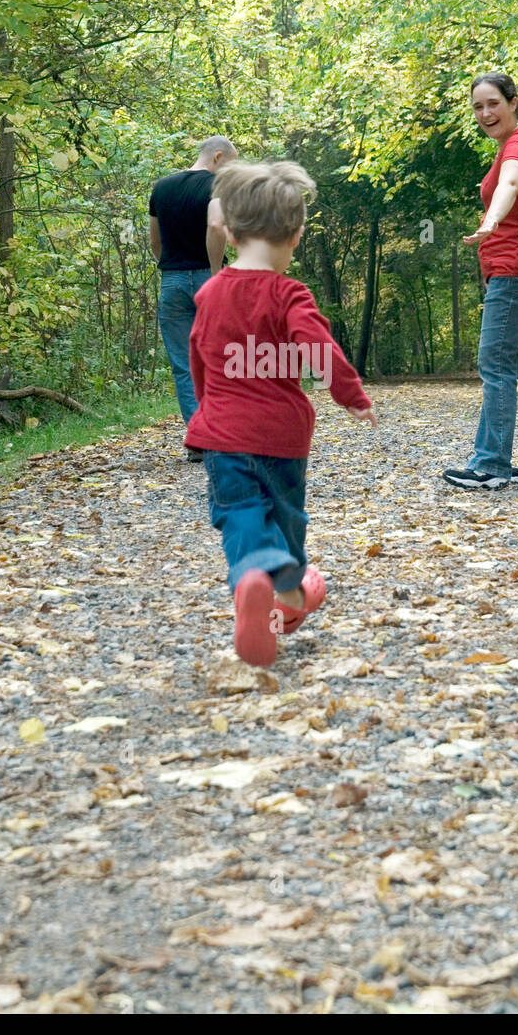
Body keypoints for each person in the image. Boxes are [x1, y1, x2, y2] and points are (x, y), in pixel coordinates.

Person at [185, 159, 377, 667]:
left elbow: (199, 354)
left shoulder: (209, 293)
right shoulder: (290, 293)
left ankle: (254, 576)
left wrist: (204, 411)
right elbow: (318, 348)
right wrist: (351, 394)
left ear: (229, 232)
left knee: (240, 514)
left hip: (223, 434)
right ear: (295, 237)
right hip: (282, 436)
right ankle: (286, 585)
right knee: (286, 516)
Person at [442, 72, 518, 490]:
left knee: (495, 361)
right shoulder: (517, 143)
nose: (485, 113)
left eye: (493, 103)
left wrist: (491, 220)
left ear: (513, 102)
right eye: (478, 107)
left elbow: (511, 182)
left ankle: (490, 465)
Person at [149, 136, 237, 460]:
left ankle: (200, 440)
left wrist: (171, 266)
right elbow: (216, 225)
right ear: (217, 157)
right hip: (206, 278)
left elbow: (154, 242)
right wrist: (215, 271)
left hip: (171, 284)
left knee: (184, 365)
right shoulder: (217, 187)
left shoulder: (162, 188)